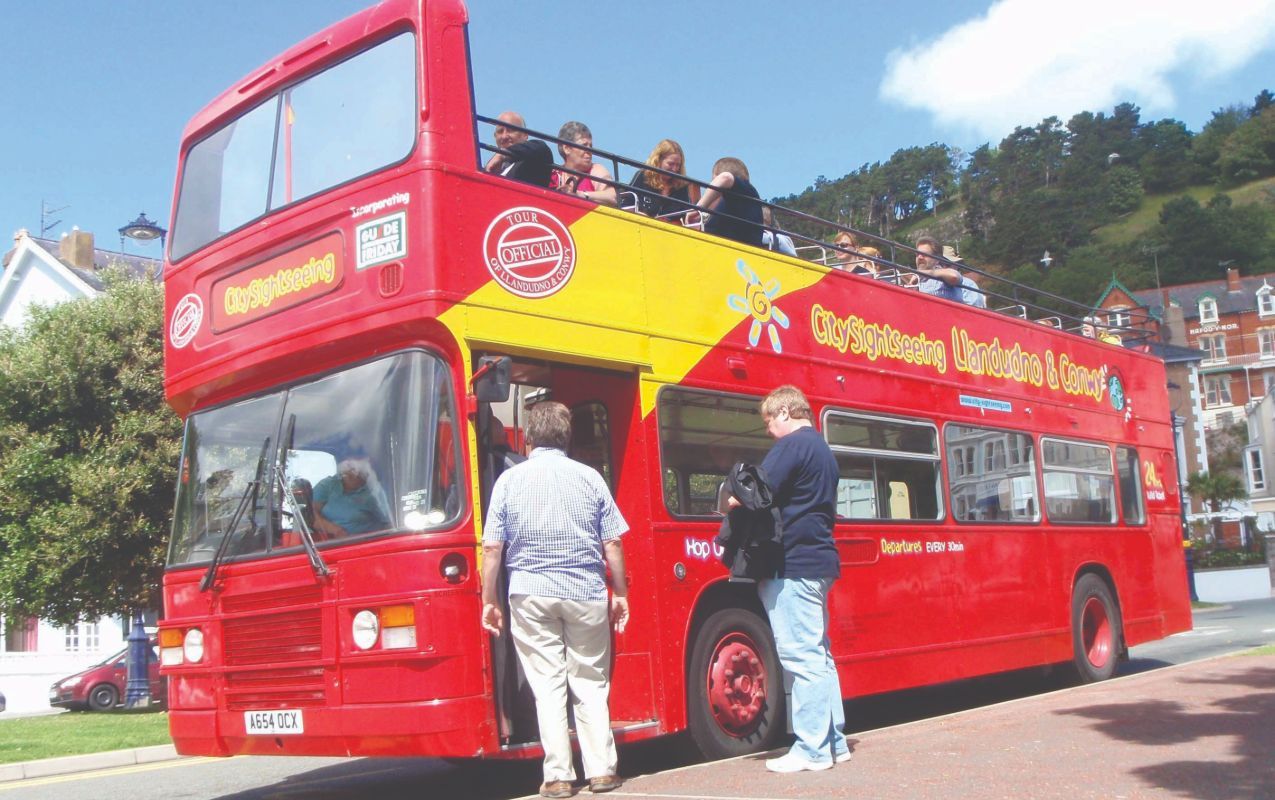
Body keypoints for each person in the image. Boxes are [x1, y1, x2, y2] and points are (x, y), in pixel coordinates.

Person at [480, 401, 630, 798]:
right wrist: (621, 592)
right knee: (590, 683)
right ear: (566, 437)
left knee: (547, 687)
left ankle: (559, 776)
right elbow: (612, 542)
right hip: (585, 592)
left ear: (528, 437)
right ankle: (601, 771)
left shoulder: (509, 482)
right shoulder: (590, 478)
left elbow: (492, 549)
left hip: (530, 594)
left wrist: (489, 600)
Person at [740, 386, 850, 773]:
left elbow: (754, 493)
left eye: (770, 421)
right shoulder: (823, 450)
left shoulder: (793, 446)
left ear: (785, 412)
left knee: (802, 658)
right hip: (819, 561)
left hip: (794, 564)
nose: (769, 430)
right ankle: (834, 741)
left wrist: (729, 497)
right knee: (819, 654)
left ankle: (812, 750)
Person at [312, 458, 391, 538]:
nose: (352, 473)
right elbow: (312, 514)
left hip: (362, 543)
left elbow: (389, 524)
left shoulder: (374, 492)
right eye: (348, 468)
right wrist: (334, 529)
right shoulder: (327, 485)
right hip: (325, 544)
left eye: (355, 470)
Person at [698, 157, 764, 248]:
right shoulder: (732, 201)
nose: (712, 184)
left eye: (714, 180)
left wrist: (698, 208)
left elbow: (725, 178)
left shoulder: (747, 192)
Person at [550, 121, 618, 206]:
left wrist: (579, 195)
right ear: (567, 148)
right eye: (584, 145)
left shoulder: (596, 169)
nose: (589, 150)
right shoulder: (554, 174)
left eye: (590, 146)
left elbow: (613, 197)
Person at [629, 139, 701, 219]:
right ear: (658, 160)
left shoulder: (681, 186)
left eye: (678, 165)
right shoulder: (643, 176)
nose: (674, 169)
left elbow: (685, 218)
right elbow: (625, 205)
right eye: (670, 164)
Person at [484, 111, 554, 188]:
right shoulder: (488, 168)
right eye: (500, 131)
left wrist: (504, 154)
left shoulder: (532, 162)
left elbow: (542, 148)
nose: (504, 136)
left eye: (510, 130)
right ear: (495, 136)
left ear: (525, 135)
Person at [914, 236, 982, 307]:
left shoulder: (967, 283)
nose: (920, 257)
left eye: (947, 264)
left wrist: (923, 273)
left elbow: (953, 276)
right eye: (917, 254)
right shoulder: (917, 280)